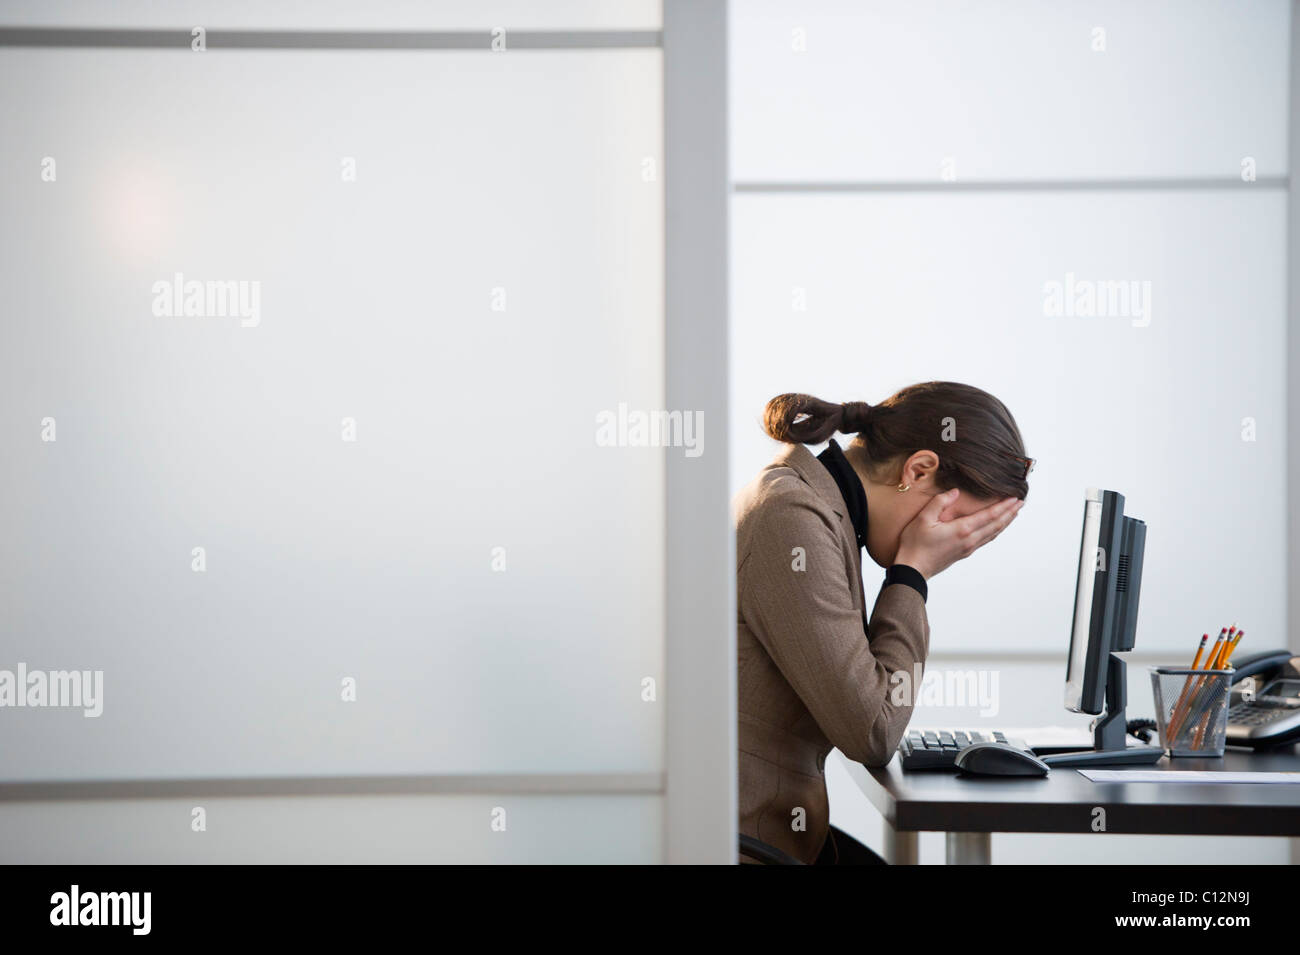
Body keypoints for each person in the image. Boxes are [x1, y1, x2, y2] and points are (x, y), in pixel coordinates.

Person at [735, 383, 1032, 864]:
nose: (955, 543)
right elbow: (872, 730)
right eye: (957, 524)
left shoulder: (811, 503)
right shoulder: (794, 514)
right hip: (752, 844)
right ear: (918, 470)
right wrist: (912, 573)